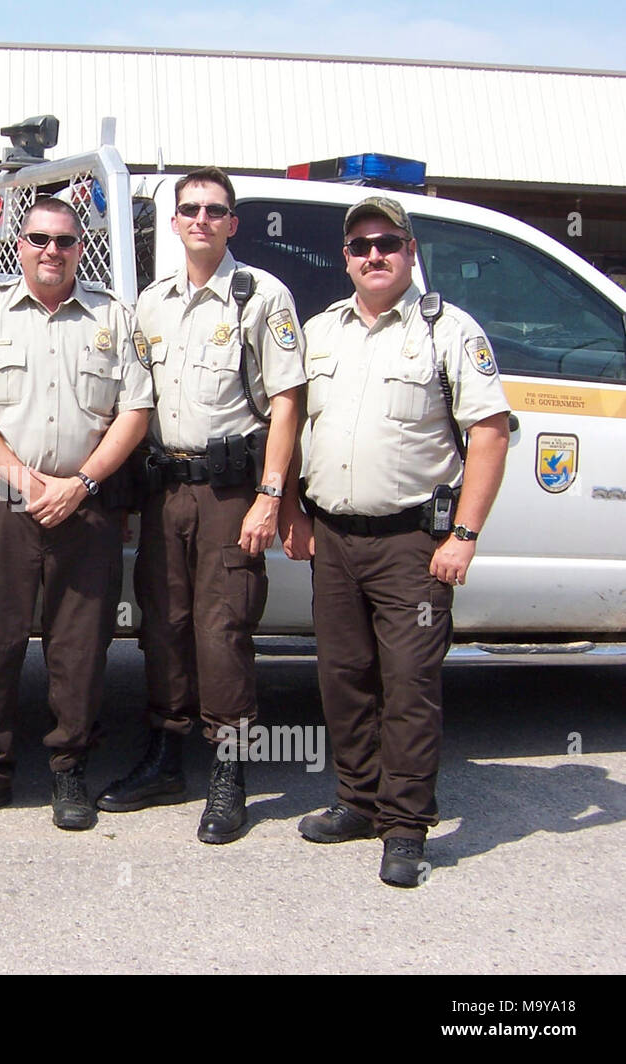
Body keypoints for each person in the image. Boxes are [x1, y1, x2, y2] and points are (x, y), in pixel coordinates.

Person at [280, 196, 509, 887]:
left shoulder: (449, 331)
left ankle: (406, 827)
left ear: (409, 251)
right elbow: (290, 424)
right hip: (334, 539)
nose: (373, 255)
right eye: (359, 246)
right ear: (345, 258)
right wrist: (290, 508)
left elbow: (490, 432)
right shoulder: (321, 332)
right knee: (343, 678)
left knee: (409, 686)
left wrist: (463, 535)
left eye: (386, 243)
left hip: (413, 543)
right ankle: (359, 800)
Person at [96, 167, 305, 844]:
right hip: (165, 489)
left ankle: (229, 768)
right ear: (176, 220)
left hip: (229, 492)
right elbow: (133, 405)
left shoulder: (261, 297)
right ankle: (165, 756)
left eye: (215, 210)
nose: (201, 220)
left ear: (232, 222)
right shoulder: (150, 304)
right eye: (189, 209)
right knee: (163, 625)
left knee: (222, 631)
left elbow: (286, 403)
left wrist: (271, 496)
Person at [0, 196, 153, 831]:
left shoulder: (114, 317)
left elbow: (134, 411)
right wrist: (23, 479)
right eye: (38, 239)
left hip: (86, 505)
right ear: (20, 245)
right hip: (4, 501)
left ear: (81, 248)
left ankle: (69, 771)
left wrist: (81, 482)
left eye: (64, 240)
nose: (51, 250)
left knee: (79, 645)